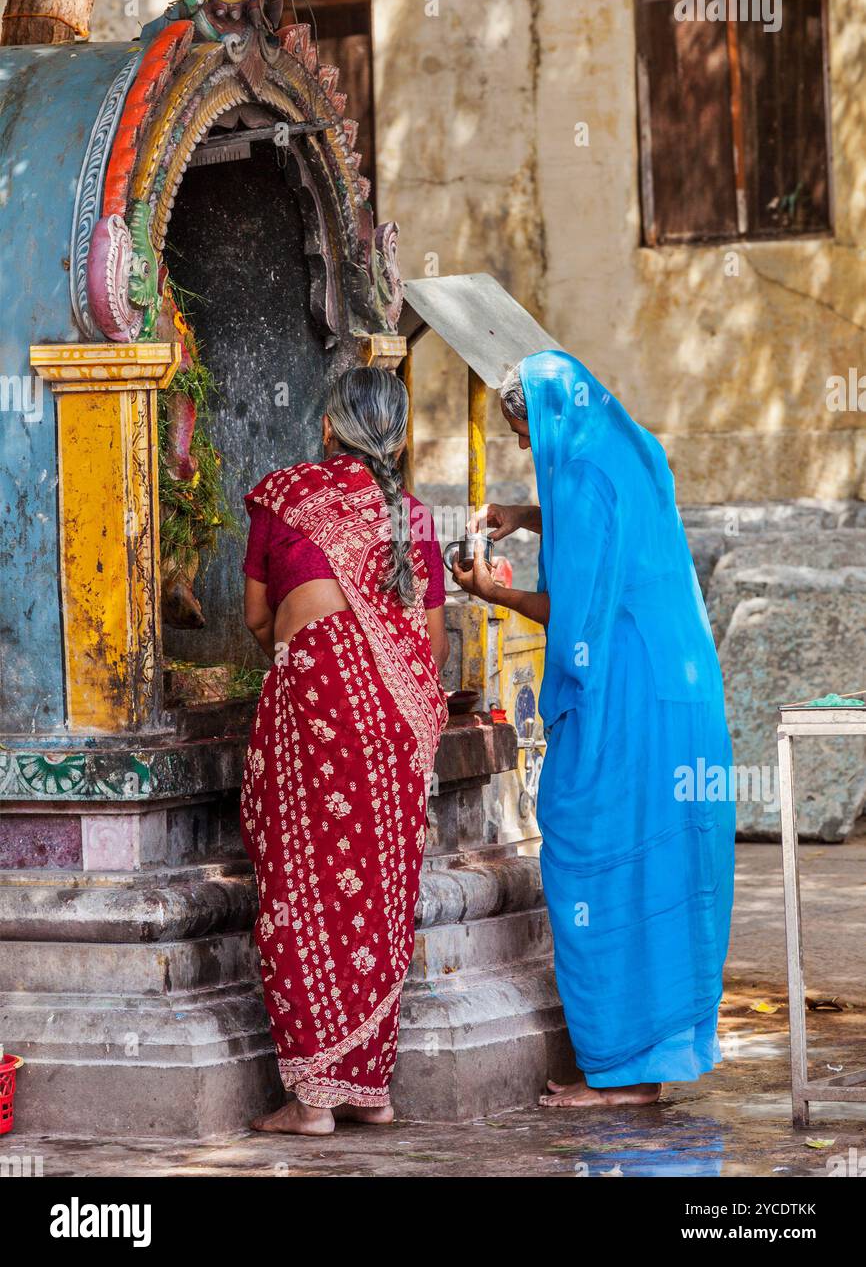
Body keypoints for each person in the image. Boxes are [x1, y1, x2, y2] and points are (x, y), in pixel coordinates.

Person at [450, 350, 735, 1109]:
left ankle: (621, 1074)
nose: (520, 447)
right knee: (663, 864)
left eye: (522, 432)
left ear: (547, 420)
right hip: (683, 689)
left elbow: (574, 616)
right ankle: (645, 1058)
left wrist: (488, 591)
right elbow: (617, 517)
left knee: (593, 849)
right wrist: (525, 515)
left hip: (627, 690)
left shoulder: (576, 475)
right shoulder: (632, 446)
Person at [241, 366, 448, 1134]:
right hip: (398, 726)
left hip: (316, 711)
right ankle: (372, 1090)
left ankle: (313, 1102)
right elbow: (429, 648)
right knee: (380, 898)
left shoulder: (283, 496)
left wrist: (317, 648)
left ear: (328, 428)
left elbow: (259, 621)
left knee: (302, 889)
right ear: (399, 438)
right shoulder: (416, 518)